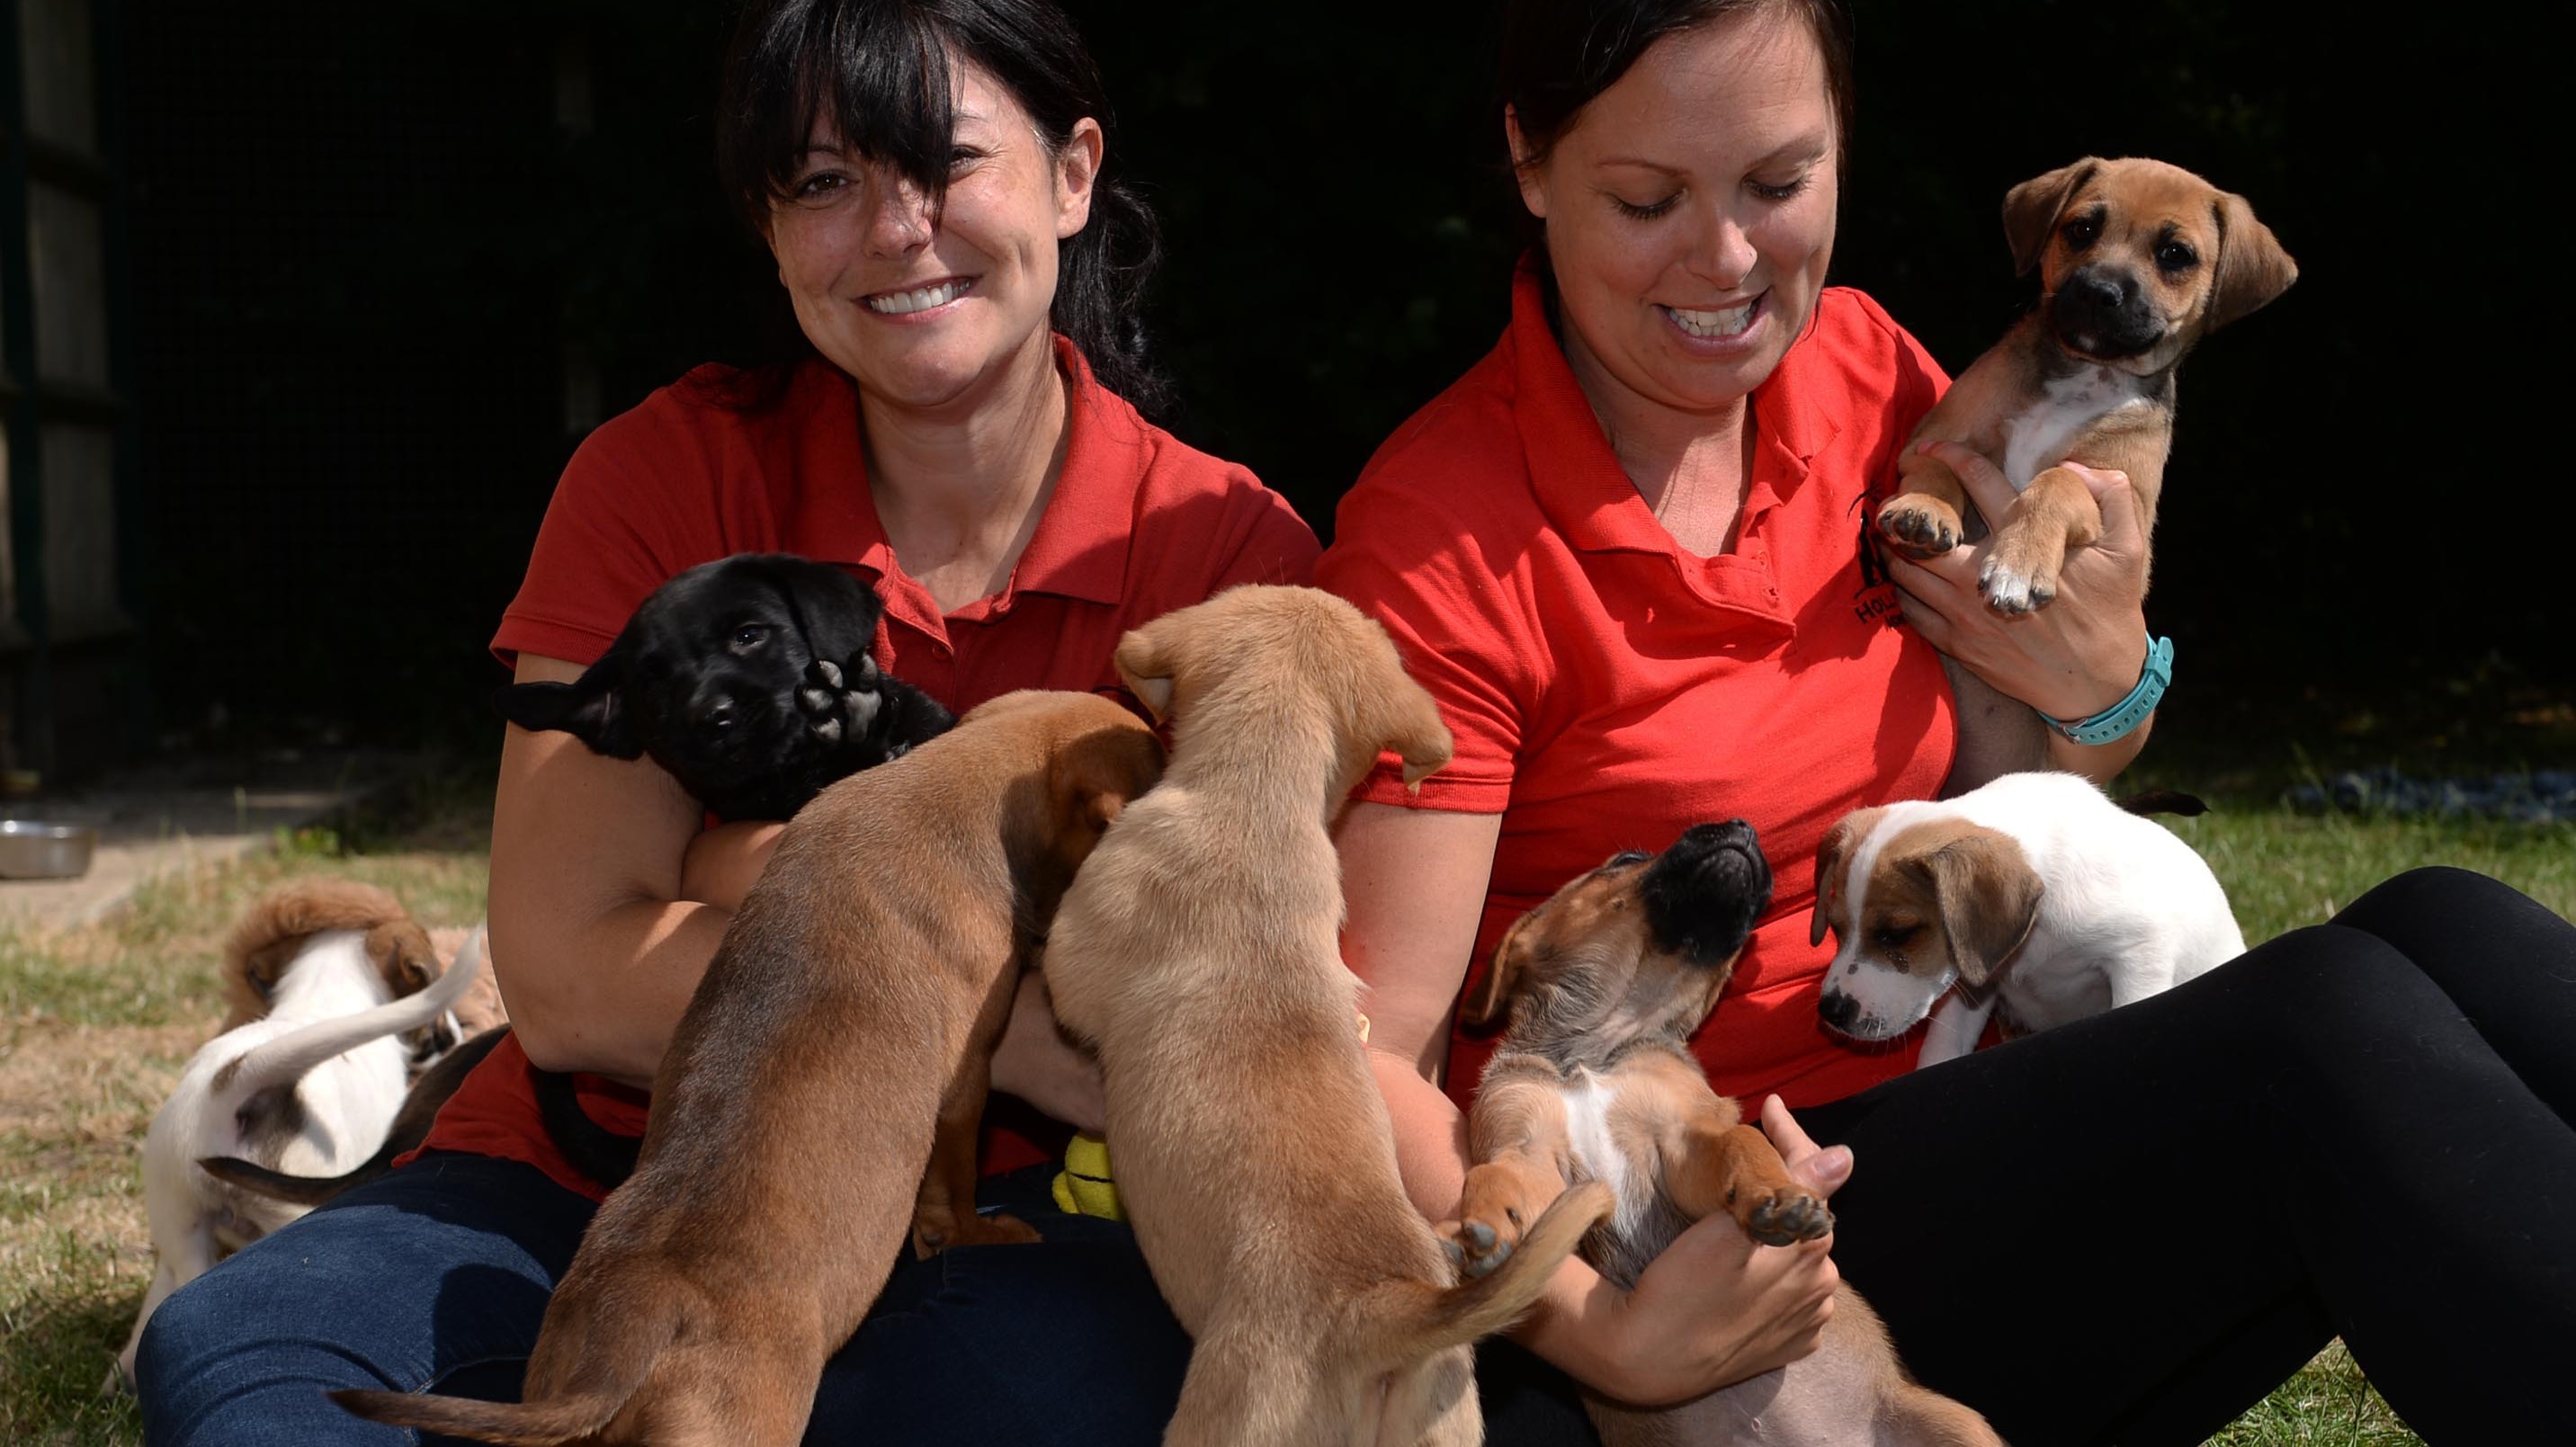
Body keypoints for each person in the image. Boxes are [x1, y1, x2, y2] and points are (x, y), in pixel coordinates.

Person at [1314, 3, 2575, 1444]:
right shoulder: (1440, 538)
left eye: (1780, 185)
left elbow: (2024, 792)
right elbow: (1362, 1048)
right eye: (1648, 198)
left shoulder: (1868, 379)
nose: (1726, 259)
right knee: (2320, 1030)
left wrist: (2108, 691)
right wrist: (1604, 1331)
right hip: (1722, 1248)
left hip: (1962, 1113)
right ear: (1529, 164)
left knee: (2445, 924)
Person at [135, 2, 1313, 1443]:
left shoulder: (1223, 550)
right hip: (592, 1189)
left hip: (986, 1212)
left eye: (942, 163)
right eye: (823, 183)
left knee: (1066, 1396)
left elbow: (1234, 1004)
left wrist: (740, 886)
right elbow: (568, 977)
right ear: (768, 227)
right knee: (254, 1354)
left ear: (1073, 175)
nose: (893, 229)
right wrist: (989, 1007)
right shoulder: (664, 478)